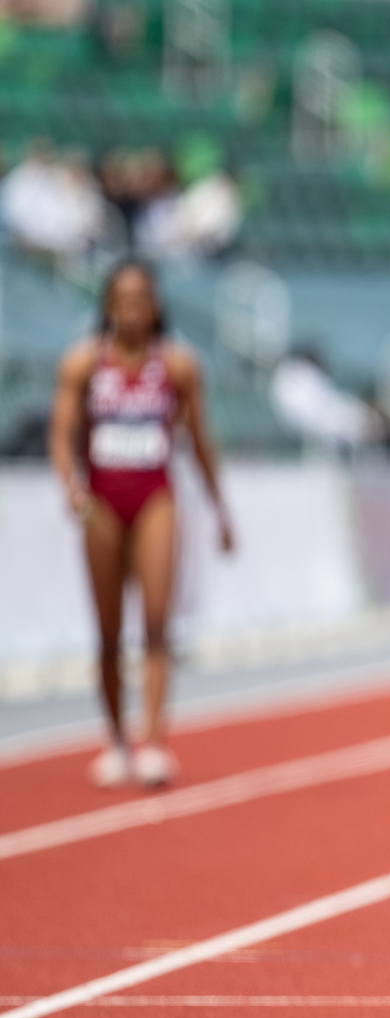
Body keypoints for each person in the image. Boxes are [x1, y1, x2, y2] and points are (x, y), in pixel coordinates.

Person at [47, 259, 234, 789]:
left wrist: (221, 509)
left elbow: (200, 440)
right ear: (107, 306)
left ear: (156, 307)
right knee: (108, 632)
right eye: (122, 299)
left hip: (155, 498)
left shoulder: (177, 366)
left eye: (141, 299)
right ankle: (115, 739)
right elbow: (61, 434)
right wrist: (71, 488)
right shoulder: (84, 364)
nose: (132, 309)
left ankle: (153, 741)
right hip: (102, 503)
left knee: (155, 621)